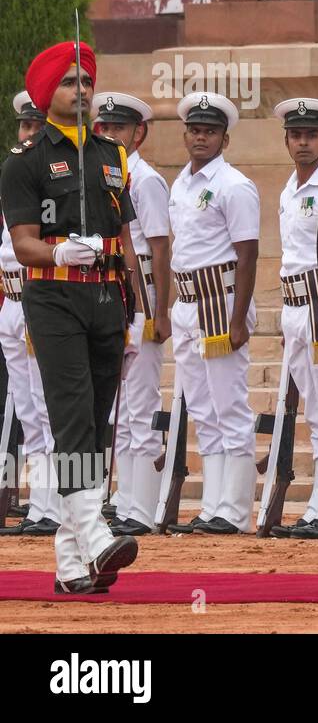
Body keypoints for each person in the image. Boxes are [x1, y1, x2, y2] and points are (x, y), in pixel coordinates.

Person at [1, 41, 140, 594]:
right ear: (45, 93)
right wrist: (60, 250)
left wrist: (136, 307)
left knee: (96, 423)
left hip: (106, 298)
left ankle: (70, 562)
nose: (81, 91)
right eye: (68, 82)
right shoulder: (25, 162)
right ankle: (96, 534)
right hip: (54, 298)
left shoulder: (112, 156)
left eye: (85, 82)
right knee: (72, 417)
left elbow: (124, 237)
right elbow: (24, 244)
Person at [167, 92, 260, 535]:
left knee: (229, 407)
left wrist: (238, 319)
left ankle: (236, 511)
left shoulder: (234, 185)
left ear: (225, 139)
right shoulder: (179, 184)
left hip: (219, 301)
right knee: (203, 410)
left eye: (210, 131)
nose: (200, 137)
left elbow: (248, 254)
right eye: (195, 130)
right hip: (187, 301)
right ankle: (212, 505)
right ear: (185, 134)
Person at [91, 92, 171, 536]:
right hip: (113, 296)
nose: (110, 135)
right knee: (117, 411)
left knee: (141, 406)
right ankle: (126, 499)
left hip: (141, 298)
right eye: (104, 128)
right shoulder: (104, 175)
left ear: (139, 133)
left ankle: (142, 507)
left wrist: (158, 313)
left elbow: (159, 248)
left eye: (119, 128)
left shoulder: (145, 180)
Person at [270, 97, 318, 539]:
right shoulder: (287, 191)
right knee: (315, 413)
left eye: (311, 135)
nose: (303, 143)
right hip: (294, 308)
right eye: (296, 135)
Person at [0, 91, 60, 537]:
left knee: (48, 408)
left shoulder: (56, 177)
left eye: (38, 126)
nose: (29, 133)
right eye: (25, 125)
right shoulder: (15, 172)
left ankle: (57, 504)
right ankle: (40, 504)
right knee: (27, 410)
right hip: (11, 301)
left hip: (42, 297)